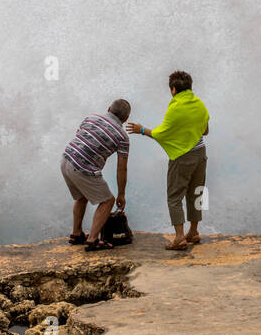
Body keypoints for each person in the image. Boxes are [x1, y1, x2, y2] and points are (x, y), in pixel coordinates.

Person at [126, 70, 209, 251]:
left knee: (174, 197)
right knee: (197, 192)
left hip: (182, 156)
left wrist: (141, 129)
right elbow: (205, 131)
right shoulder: (200, 104)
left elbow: (161, 133)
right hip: (201, 153)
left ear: (173, 89)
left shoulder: (175, 108)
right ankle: (193, 232)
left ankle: (179, 237)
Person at [61, 99, 131, 251]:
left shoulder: (91, 117)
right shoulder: (122, 136)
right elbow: (122, 169)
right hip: (82, 168)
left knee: (82, 196)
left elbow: (82, 139)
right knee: (108, 200)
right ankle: (92, 240)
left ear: (109, 108)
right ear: (125, 119)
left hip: (66, 159)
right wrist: (121, 194)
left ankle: (76, 233)